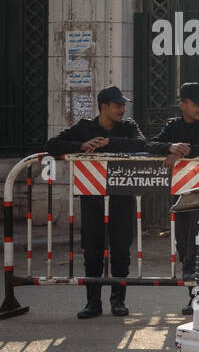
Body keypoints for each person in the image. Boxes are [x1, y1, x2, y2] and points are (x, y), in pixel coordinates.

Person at [45, 87, 148, 318]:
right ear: (104, 107)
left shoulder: (128, 127)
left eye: (123, 105)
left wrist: (108, 143)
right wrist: (81, 145)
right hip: (92, 197)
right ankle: (93, 302)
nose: (122, 109)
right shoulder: (85, 127)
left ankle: (118, 301)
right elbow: (52, 144)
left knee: (121, 249)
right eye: (117, 105)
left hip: (122, 194)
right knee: (92, 249)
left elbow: (142, 144)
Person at [148, 82, 199, 315]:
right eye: (196, 103)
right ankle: (194, 299)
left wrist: (185, 151)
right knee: (185, 246)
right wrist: (169, 147)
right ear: (182, 104)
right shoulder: (173, 126)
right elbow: (150, 144)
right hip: (182, 196)